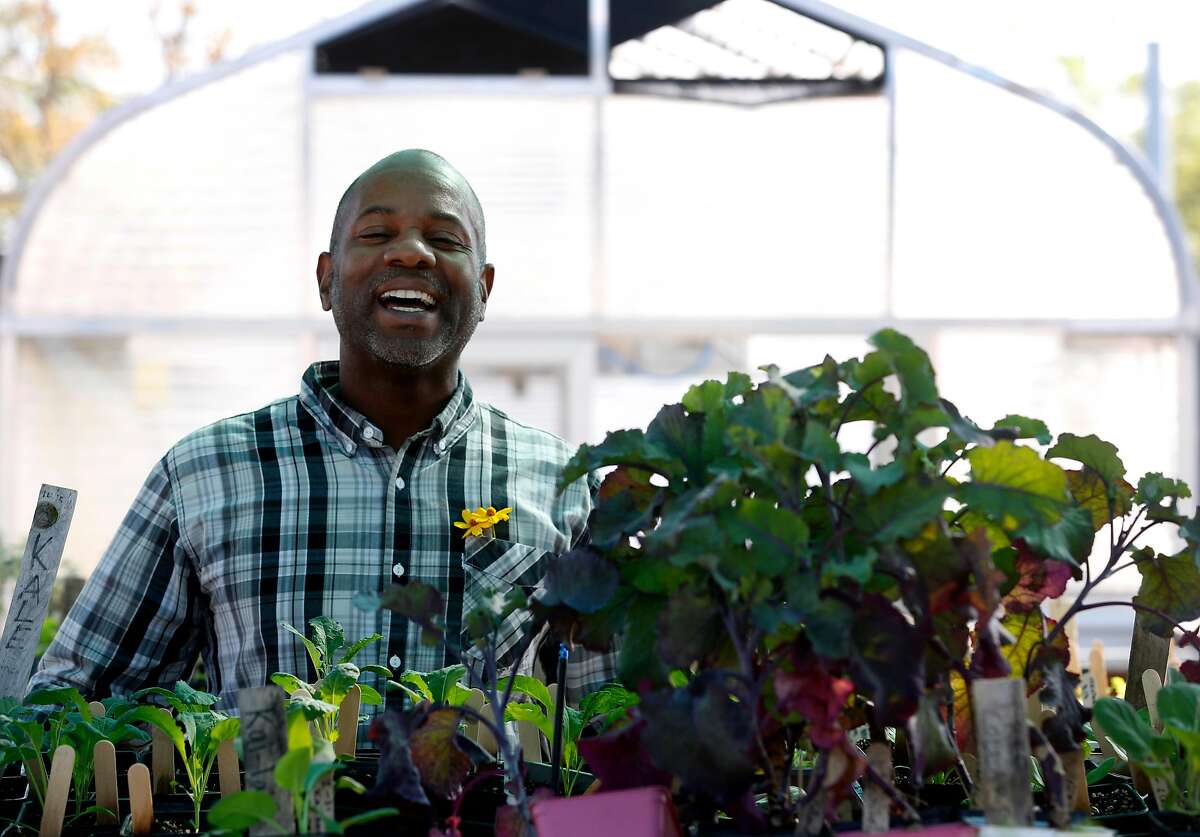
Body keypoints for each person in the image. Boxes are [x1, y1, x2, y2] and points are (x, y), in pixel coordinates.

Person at [30, 149, 611, 708]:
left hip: (483, 814)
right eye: (377, 235)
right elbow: (76, 700)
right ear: (326, 280)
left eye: (444, 239)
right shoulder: (204, 472)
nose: (412, 254)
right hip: (272, 810)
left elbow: (611, 731)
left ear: (483, 289)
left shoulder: (562, 483)